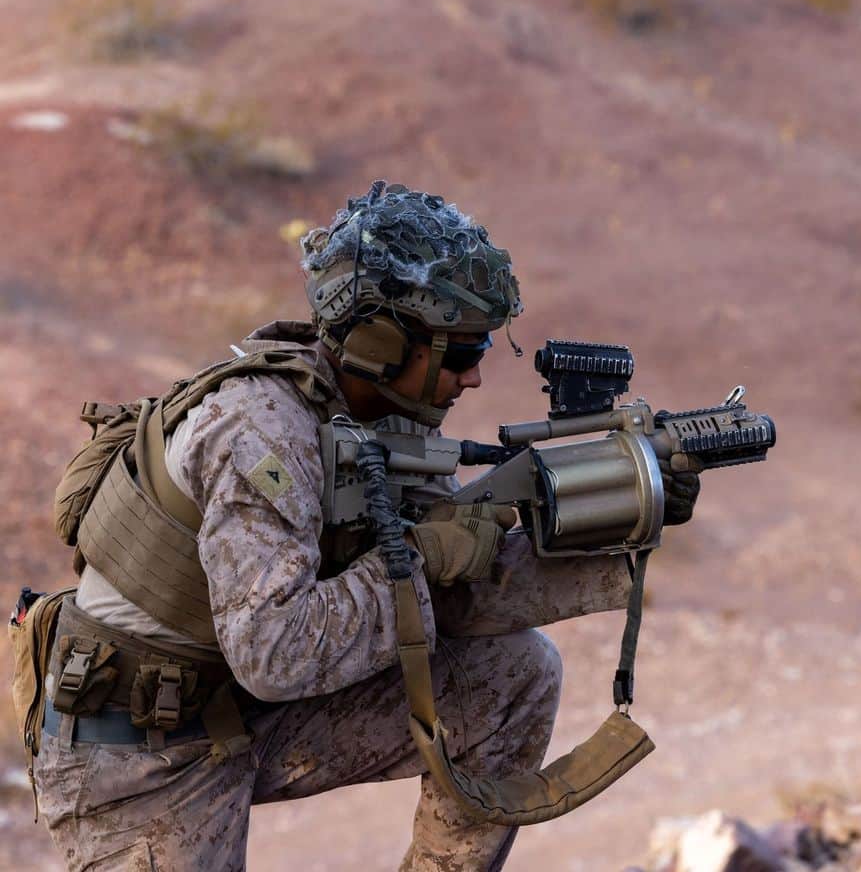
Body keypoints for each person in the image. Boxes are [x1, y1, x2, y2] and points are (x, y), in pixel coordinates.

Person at [34, 182, 699, 871]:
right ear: (383, 342)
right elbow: (275, 651)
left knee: (514, 676)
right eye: (464, 352)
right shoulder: (259, 430)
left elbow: (459, 588)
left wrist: (629, 519)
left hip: (241, 717)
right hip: (137, 754)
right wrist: (417, 558)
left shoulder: (382, 419)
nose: (472, 379)